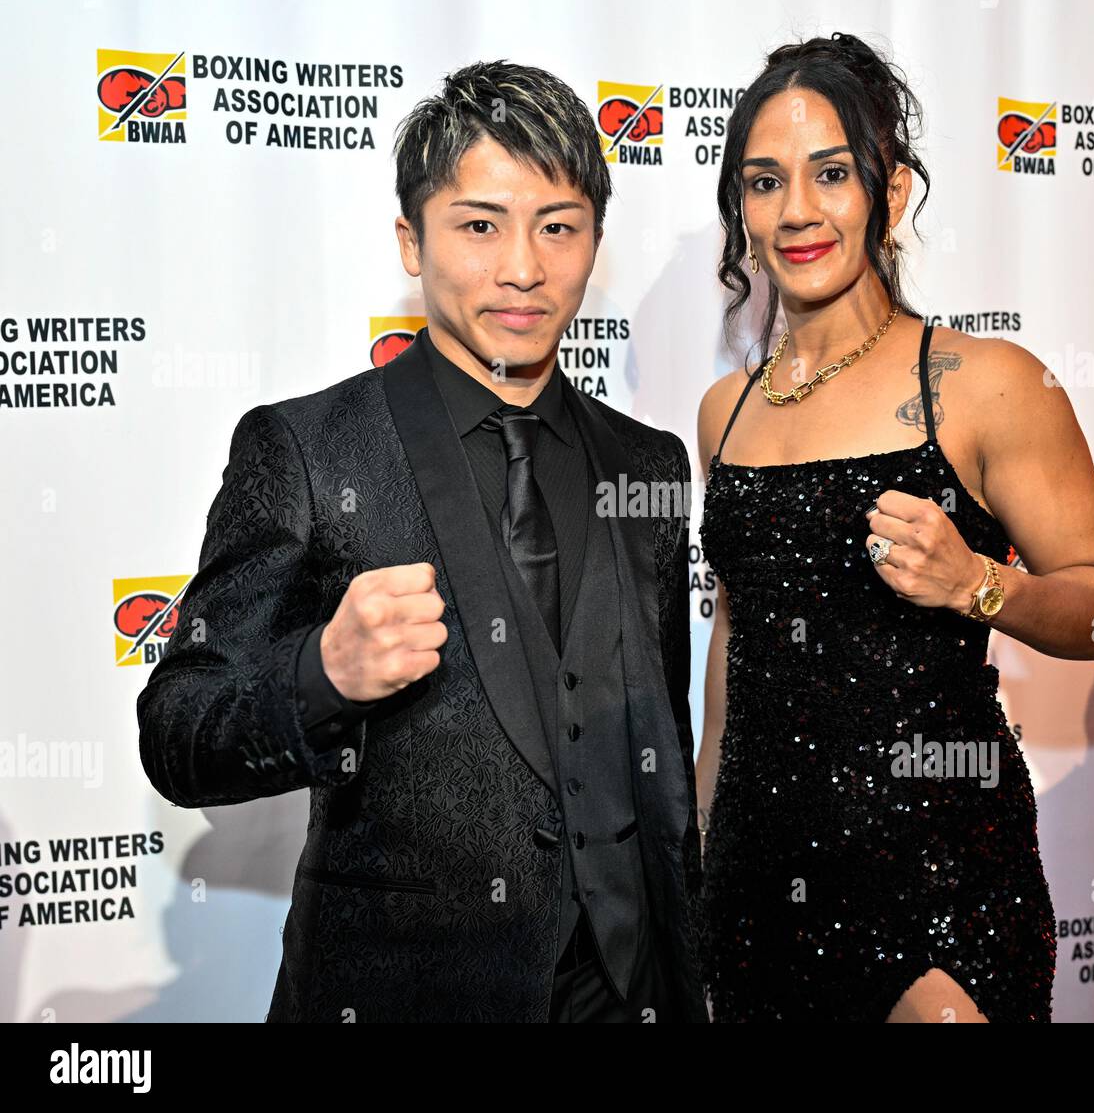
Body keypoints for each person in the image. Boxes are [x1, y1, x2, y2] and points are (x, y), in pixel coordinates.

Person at [137, 60, 706, 1023]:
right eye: (480, 225)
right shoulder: (307, 448)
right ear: (412, 239)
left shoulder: (648, 461)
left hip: (626, 990)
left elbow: (654, 741)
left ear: (594, 242)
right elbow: (178, 732)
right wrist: (319, 674)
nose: (522, 266)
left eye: (557, 227)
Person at [694, 32, 1094, 1022]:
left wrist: (982, 582)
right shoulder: (724, 410)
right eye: (764, 181)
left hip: (940, 876)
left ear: (889, 196)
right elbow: (735, 639)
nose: (797, 209)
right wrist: (697, 837)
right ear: (740, 208)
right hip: (759, 875)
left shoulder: (984, 384)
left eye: (831, 174)